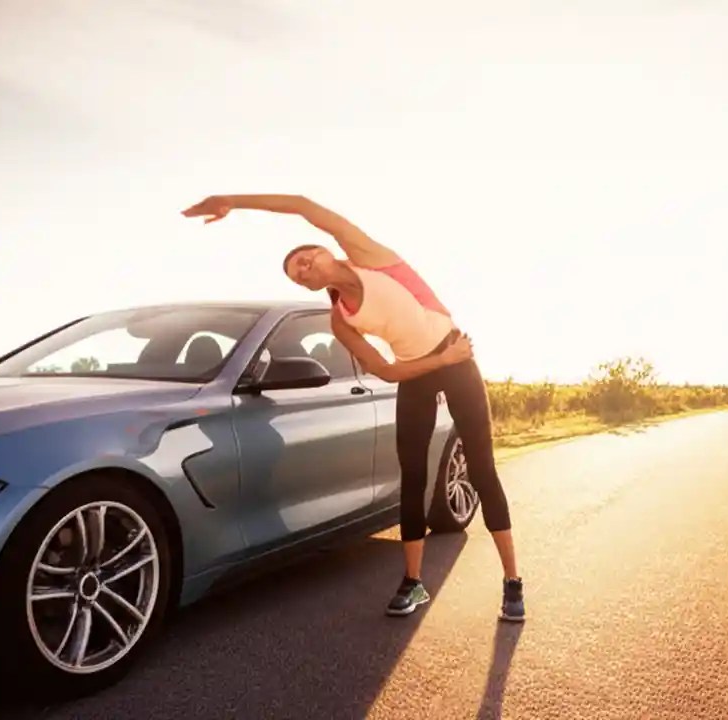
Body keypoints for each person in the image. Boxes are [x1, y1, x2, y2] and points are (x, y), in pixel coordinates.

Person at [181, 193, 525, 622]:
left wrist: (231, 201)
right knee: (414, 477)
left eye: (305, 259)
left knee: (482, 468)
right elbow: (386, 368)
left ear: (324, 248)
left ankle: (512, 581)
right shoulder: (340, 320)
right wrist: (440, 362)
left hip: (456, 359)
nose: (304, 269)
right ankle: (413, 583)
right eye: (298, 275)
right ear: (306, 287)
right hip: (422, 368)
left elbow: (301, 204)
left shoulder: (369, 255)